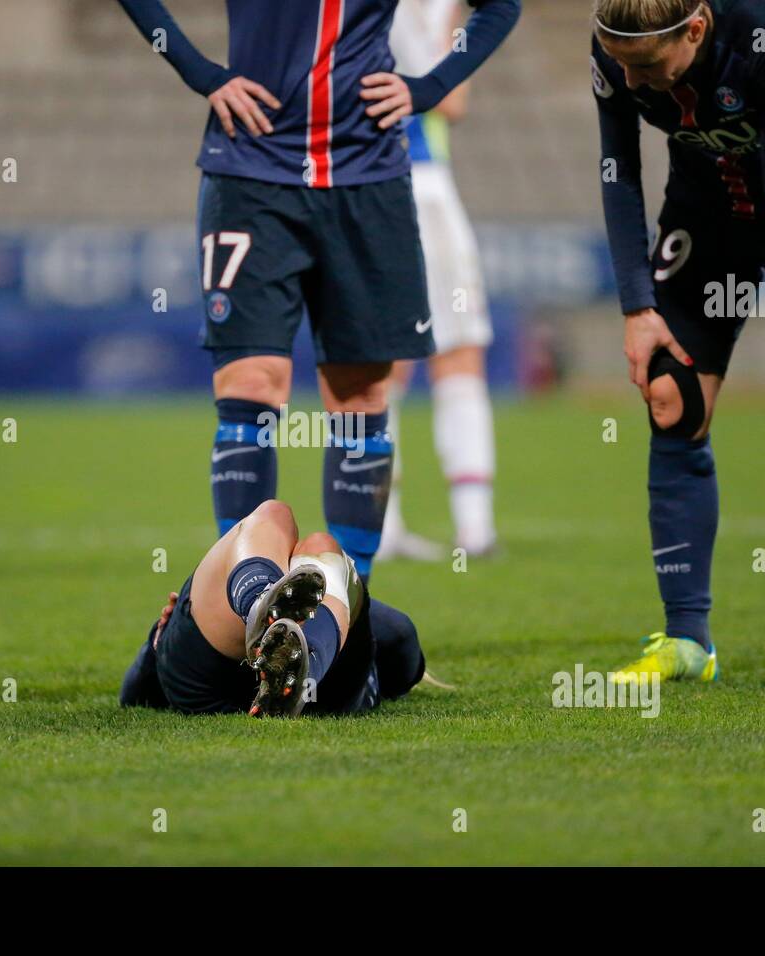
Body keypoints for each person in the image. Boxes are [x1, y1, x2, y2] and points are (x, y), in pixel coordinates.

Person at [117, 0, 520, 583]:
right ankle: (244, 602)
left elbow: (501, 7)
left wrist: (430, 86)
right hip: (251, 167)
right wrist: (199, 72)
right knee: (251, 385)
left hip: (366, 173)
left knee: (360, 398)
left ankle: (346, 610)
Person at [590, 0, 765, 688]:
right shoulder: (618, 47)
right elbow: (619, 172)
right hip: (707, 209)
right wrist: (636, 307)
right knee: (669, 394)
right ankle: (688, 640)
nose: (632, 83)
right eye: (622, 65)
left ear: (695, 31)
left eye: (648, 67)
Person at [378, 0, 498, 562]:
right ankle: (474, 529)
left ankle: (381, 525)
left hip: (363, 182)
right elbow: (450, 99)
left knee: (380, 358)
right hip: (420, 179)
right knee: (457, 354)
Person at [120, 500, 428, 717]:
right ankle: (300, 664)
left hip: (207, 678)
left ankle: (258, 605)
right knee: (325, 547)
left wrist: (155, 646)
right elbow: (401, 637)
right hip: (322, 693)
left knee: (273, 512)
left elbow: (133, 696)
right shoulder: (379, 628)